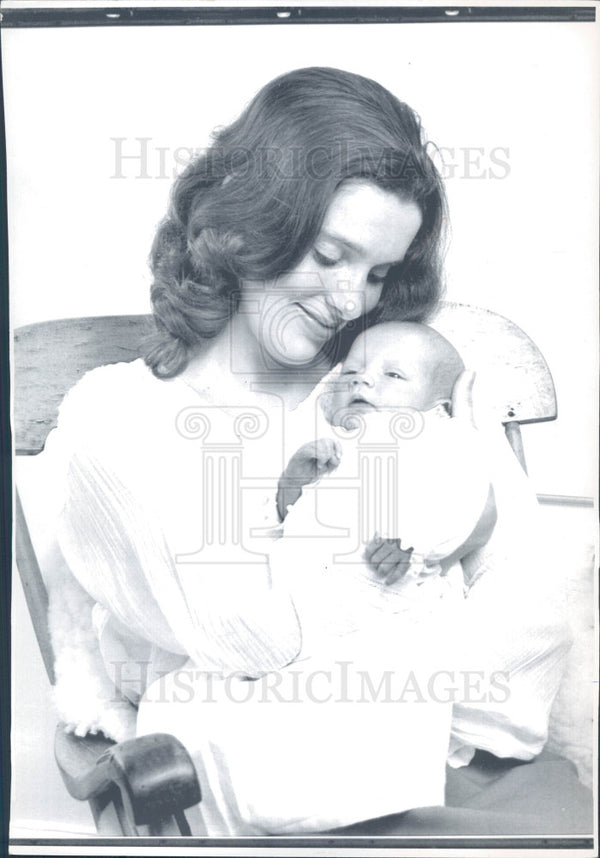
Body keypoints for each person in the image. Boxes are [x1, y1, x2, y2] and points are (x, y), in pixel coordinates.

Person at [40, 67, 589, 835]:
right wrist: (418, 605)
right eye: (331, 256)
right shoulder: (123, 418)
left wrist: (416, 580)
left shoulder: (393, 382)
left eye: (378, 274)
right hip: (274, 792)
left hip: (460, 773)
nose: (350, 300)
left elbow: (535, 609)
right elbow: (254, 637)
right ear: (245, 224)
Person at [271, 321, 496, 662]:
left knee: (392, 669)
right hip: (295, 605)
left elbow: (477, 505)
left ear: (439, 407)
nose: (362, 379)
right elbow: (290, 520)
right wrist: (293, 481)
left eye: (393, 375)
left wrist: (414, 542)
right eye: (350, 373)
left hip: (386, 604)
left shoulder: (434, 443)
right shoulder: (330, 441)